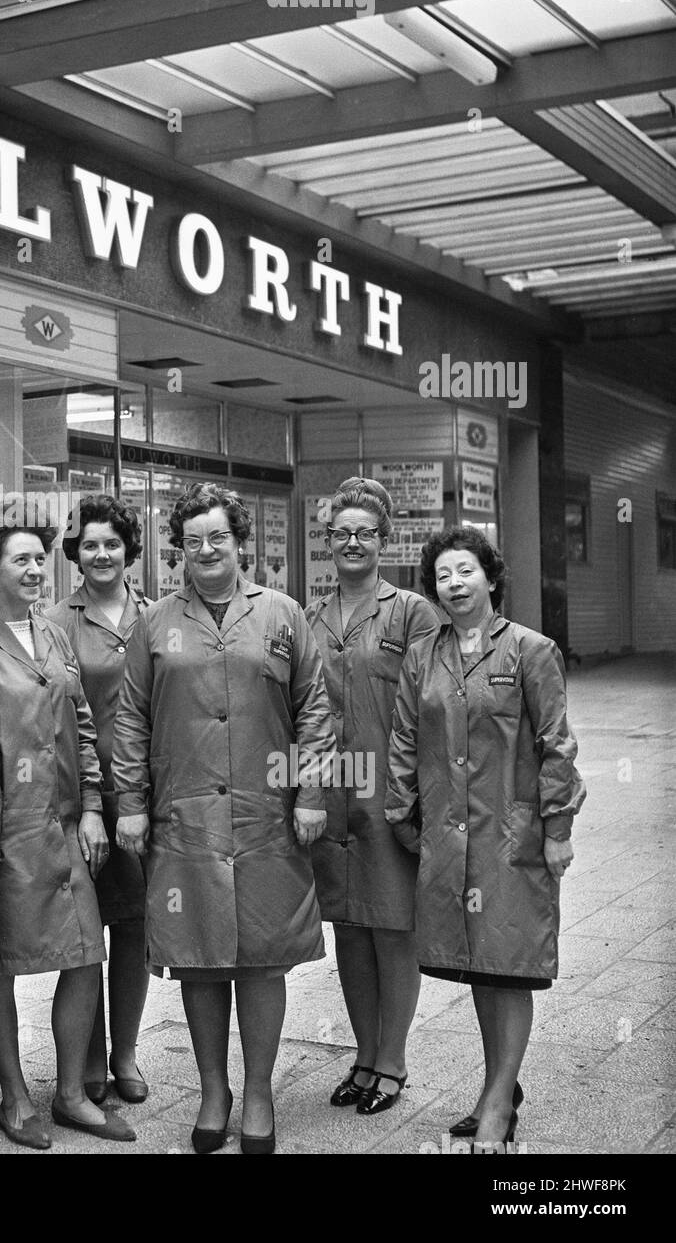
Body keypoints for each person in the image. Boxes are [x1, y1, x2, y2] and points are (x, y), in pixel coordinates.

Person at [113, 481, 336, 1154]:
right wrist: (129, 804)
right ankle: (215, 1090)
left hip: (265, 813)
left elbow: (315, 709)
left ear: (241, 544)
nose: (206, 550)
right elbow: (129, 716)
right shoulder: (155, 623)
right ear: (177, 551)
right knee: (199, 959)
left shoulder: (282, 614)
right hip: (186, 816)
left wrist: (312, 794)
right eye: (192, 542)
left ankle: (260, 1092)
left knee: (264, 958)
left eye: (218, 538)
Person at [387, 526, 584, 1150]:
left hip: (511, 834)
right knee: (479, 965)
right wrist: (404, 814)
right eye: (443, 575)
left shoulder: (531, 650)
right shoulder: (424, 653)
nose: (454, 584)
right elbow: (402, 740)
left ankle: (498, 1101)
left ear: (491, 577)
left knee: (511, 967)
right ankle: (501, 1084)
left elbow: (557, 744)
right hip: (447, 837)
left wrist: (557, 828)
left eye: (465, 571)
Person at [0, 517, 135, 1150]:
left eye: (40, 561)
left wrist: (93, 805)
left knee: (88, 952)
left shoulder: (54, 633)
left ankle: (70, 1094)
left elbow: (82, 725)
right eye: (22, 562)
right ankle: (14, 1098)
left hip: (64, 824)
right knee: (0, 961)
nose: (37, 571)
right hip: (2, 827)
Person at [305, 477, 440, 1115]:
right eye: (341, 533)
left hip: (390, 793)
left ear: (384, 541)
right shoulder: (309, 618)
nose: (352, 542)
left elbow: (431, 707)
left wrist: (416, 795)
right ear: (328, 541)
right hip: (333, 795)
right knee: (351, 929)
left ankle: (392, 1061)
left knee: (392, 927)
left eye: (365, 533)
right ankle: (362, 1056)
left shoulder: (412, 613)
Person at [45, 494, 151, 1107]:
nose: (101, 553)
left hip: (142, 795)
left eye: (112, 543)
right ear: (75, 553)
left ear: (127, 549)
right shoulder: (57, 621)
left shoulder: (159, 614)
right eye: (89, 544)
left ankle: (126, 1053)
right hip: (81, 794)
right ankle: (85, 1060)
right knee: (84, 931)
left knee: (134, 926)